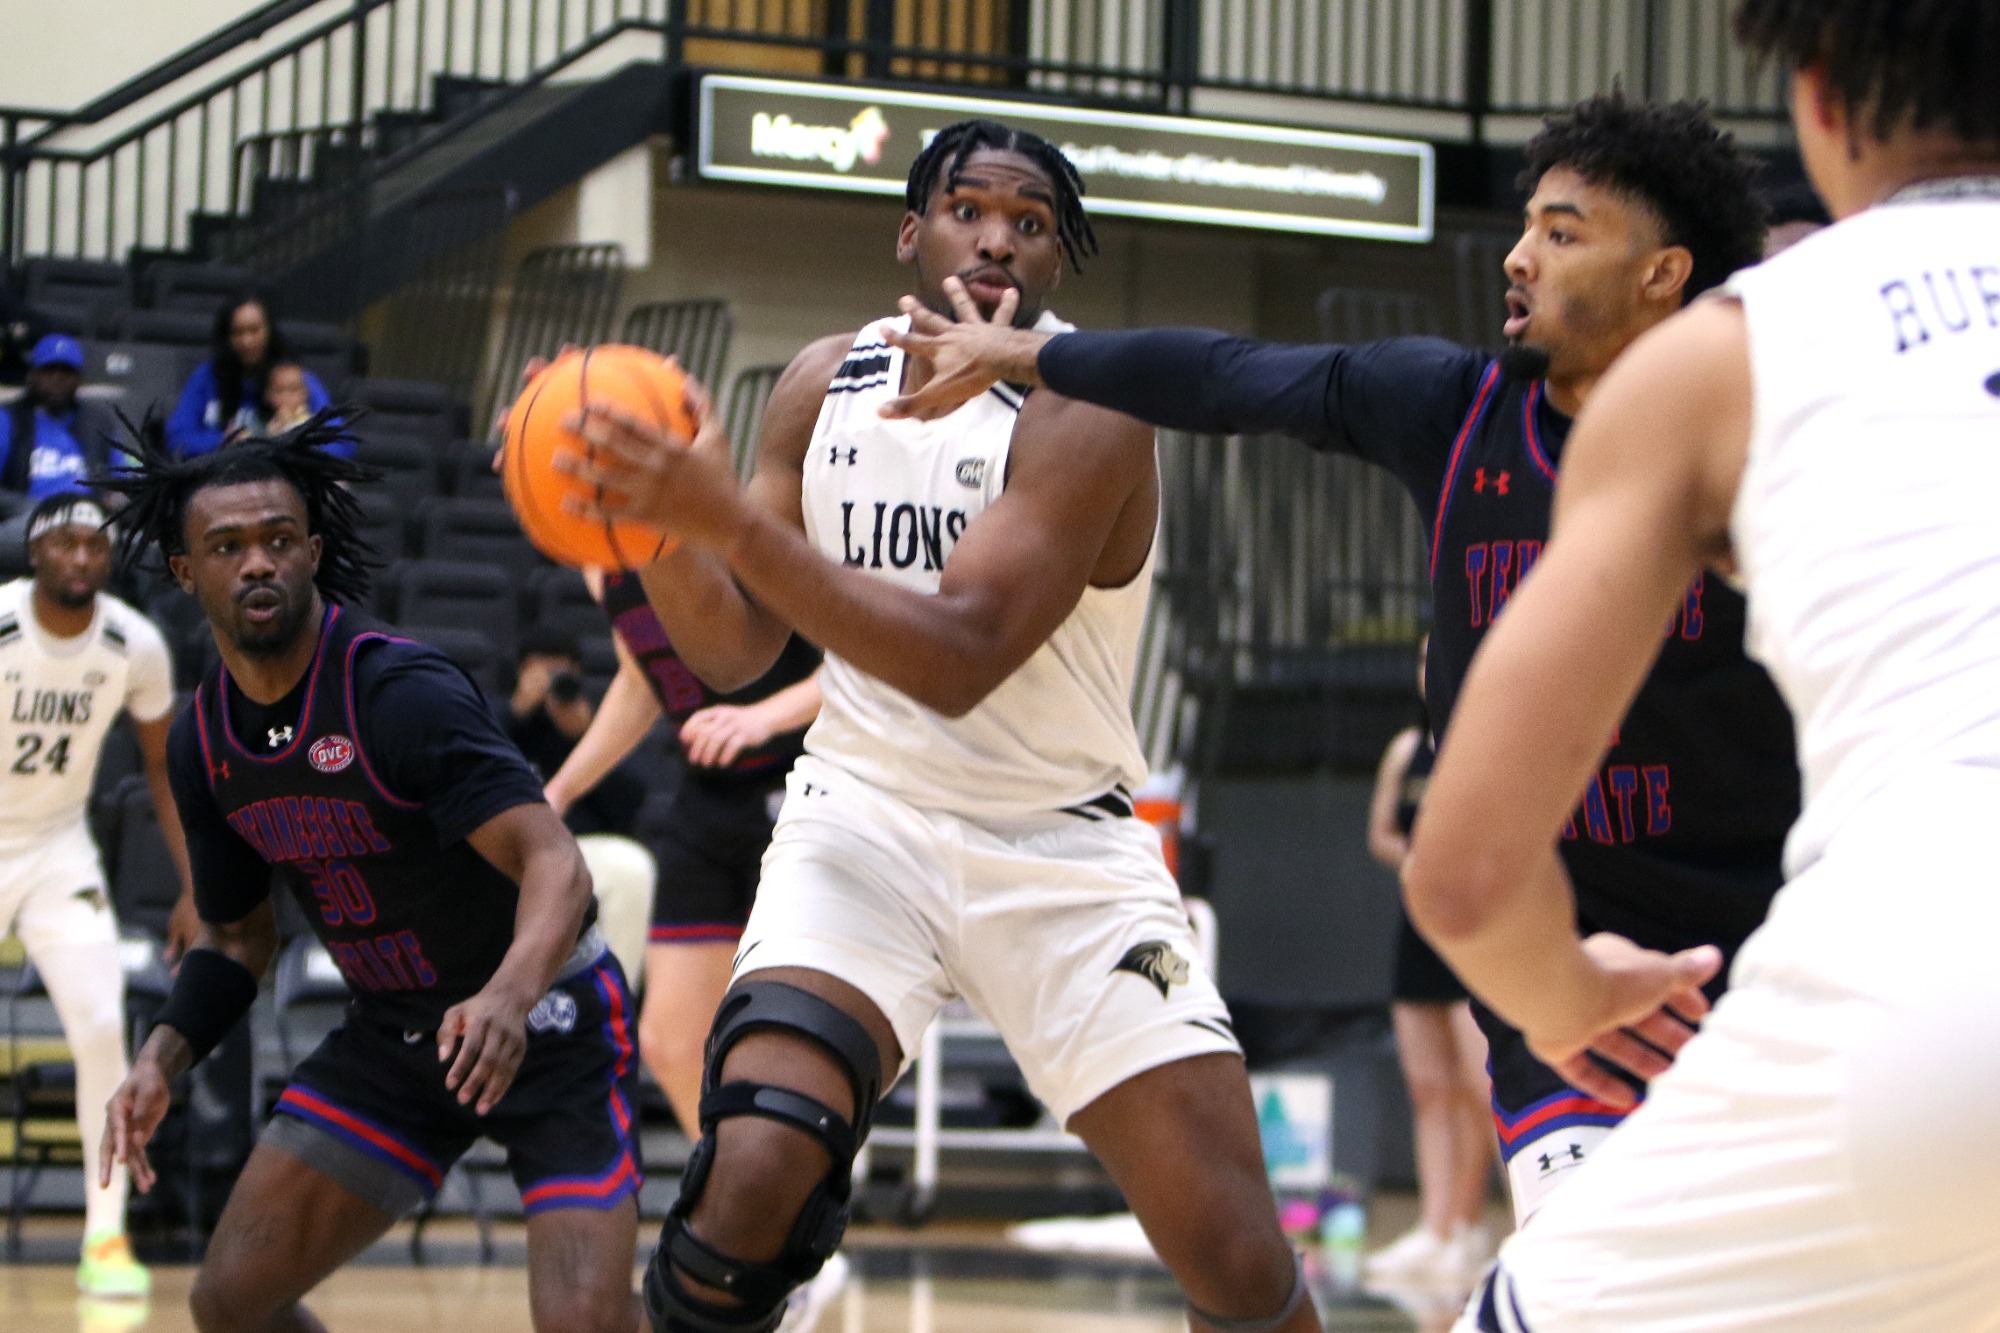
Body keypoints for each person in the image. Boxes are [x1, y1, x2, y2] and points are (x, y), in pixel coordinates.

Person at [878, 93, 1791, 1226]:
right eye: (1526, 227)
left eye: (1562, 234)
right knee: (1588, 1272)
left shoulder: (1772, 448)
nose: (1517, 257)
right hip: (1559, 996)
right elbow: (1228, 373)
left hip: (1768, 968)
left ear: (1662, 274)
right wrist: (1026, 353)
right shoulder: (1453, 410)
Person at [547, 118, 1321, 1333]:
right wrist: (650, 526)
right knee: (752, 1171)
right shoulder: (820, 384)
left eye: (1030, 224)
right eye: (968, 211)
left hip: (1062, 850)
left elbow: (958, 655)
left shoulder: (1089, 404)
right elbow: (735, 650)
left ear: (1055, 260)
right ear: (912, 234)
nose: (997, 240)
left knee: (1233, 1254)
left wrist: (725, 521)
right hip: (863, 822)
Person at [1403, 6, 2000, 1328]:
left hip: (1932, 993)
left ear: (1819, 97)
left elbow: (1464, 872)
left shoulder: (1730, 352)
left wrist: (1569, 996)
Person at [95, 423, 638, 1333]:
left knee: (586, 1324)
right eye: (227, 546)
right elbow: (239, 937)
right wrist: (160, 1058)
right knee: (230, 1301)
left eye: (278, 538)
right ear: (186, 571)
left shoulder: (397, 692)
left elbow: (556, 861)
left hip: (547, 1019)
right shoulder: (203, 738)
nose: (257, 561)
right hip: (397, 1038)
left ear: (311, 552)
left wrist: (507, 997)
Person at [0, 492, 196, 1298]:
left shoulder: (134, 641)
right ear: (35, 551)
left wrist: (195, 885)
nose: (82, 556)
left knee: (103, 1029)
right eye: (66, 543)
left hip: (57, 849)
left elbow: (163, 769)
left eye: (95, 544)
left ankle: (105, 1236)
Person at [543, 566, 820, 1136]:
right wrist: (562, 791)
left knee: (792, 1035)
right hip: (709, 793)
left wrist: (762, 718)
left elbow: (860, 666)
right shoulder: (601, 564)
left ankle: (803, 1174)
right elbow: (639, 681)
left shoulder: (747, 527)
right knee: (670, 1041)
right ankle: (730, 1173)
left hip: (804, 779)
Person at [1362, 640, 1492, 1286]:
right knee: (1428, 1089)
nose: (1427, 668)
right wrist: (1417, 859)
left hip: (1471, 930)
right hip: (1416, 926)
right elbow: (1381, 833)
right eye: (1420, 658)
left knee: (1477, 1089)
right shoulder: (1405, 750)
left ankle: (1469, 1226)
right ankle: (1434, 1226)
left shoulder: (1487, 737)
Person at [508, 620, 656, 985]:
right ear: (521, 671)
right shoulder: (494, 719)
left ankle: (617, 995)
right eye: (541, 671)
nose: (551, 683)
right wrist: (516, 714)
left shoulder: (595, 724)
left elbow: (633, 799)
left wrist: (584, 737)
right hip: (510, 847)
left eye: (559, 672)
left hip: (582, 845)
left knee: (631, 867)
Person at [165, 295, 338, 458]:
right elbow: (176, 439)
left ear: (270, 331)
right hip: (220, 473)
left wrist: (292, 445)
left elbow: (339, 440)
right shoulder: (205, 377)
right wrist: (226, 441)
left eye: (254, 330)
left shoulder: (292, 379)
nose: (246, 341)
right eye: (237, 332)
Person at [0, 334, 119, 514]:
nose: (58, 378)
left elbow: (123, 478)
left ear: (80, 378)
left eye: (67, 371)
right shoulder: (8, 419)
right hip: (29, 515)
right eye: (49, 370)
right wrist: (33, 509)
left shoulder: (98, 421)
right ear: (31, 375)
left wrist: (117, 499)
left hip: (89, 516)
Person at [259, 362, 316, 437]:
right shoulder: (265, 421)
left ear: (305, 393)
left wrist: (287, 423)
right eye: (279, 391)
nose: (286, 397)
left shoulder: (309, 421)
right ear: (268, 395)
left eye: (293, 390)